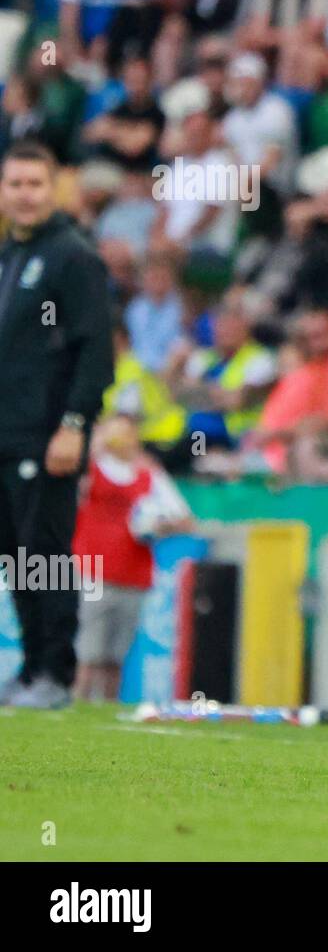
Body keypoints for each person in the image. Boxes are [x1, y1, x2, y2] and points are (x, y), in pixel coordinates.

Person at [0, 140, 114, 709]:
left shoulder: (73, 256)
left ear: (54, 189)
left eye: (34, 184)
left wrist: (73, 424)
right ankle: (28, 668)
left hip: (48, 435)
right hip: (7, 434)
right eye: (15, 184)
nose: (24, 195)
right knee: (15, 556)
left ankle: (55, 673)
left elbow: (96, 350)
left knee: (45, 553)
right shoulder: (8, 255)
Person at [71, 413, 193, 702]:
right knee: (87, 654)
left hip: (133, 575)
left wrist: (158, 526)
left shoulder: (150, 476)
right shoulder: (92, 470)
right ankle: (76, 706)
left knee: (116, 657)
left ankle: (106, 711)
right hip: (93, 573)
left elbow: (186, 519)